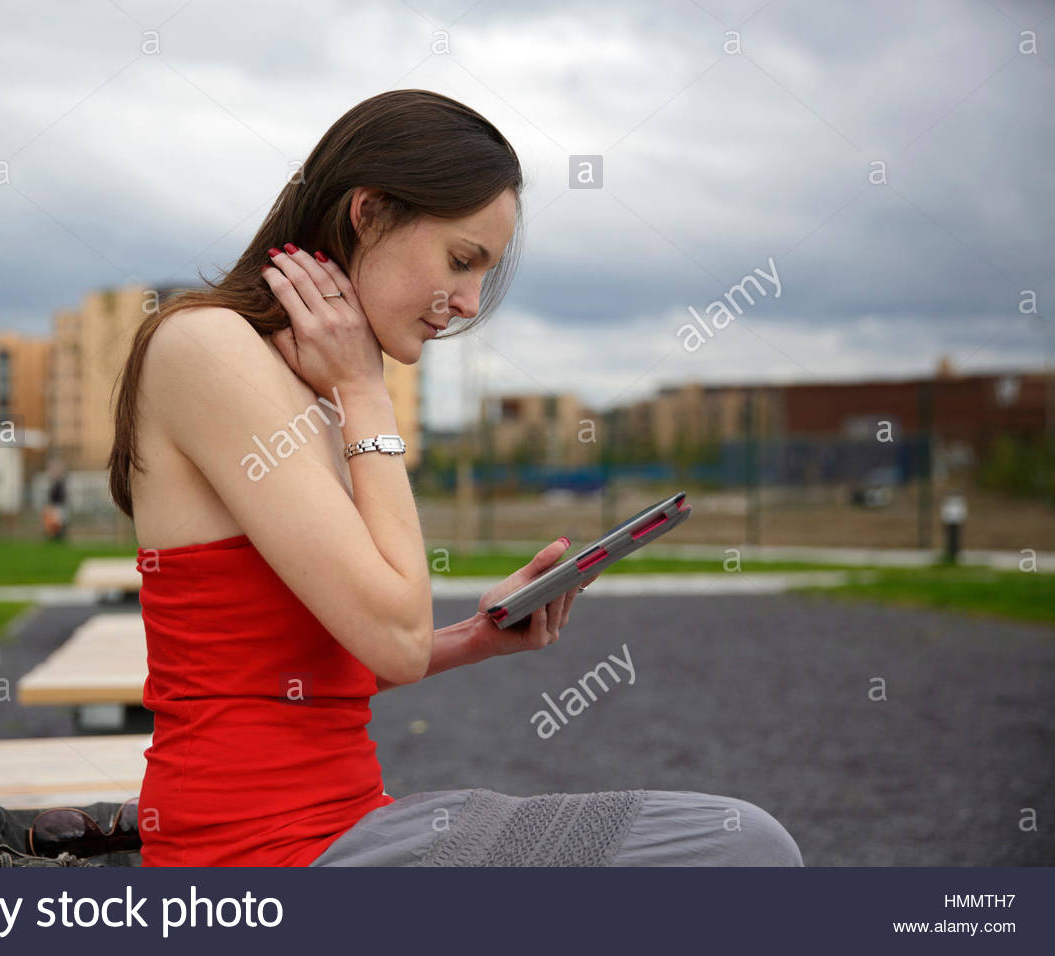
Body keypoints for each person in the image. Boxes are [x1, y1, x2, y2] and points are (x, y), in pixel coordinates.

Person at [104, 89, 803, 867]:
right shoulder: (206, 347)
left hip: (354, 827)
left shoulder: (314, 385)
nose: (467, 304)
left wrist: (473, 639)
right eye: (461, 261)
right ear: (368, 212)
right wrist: (367, 395)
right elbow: (394, 642)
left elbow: (307, 667)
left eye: (483, 273)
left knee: (739, 842)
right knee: (745, 854)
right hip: (263, 858)